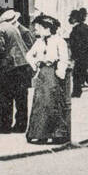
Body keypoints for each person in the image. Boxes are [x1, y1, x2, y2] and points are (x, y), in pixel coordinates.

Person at [0, 5, 33, 134]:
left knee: (6, 97)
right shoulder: (10, 27)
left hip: (10, 68)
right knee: (21, 97)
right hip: (22, 66)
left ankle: (4, 126)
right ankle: (20, 126)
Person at [25, 14, 70, 145]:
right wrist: (36, 63)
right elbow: (29, 55)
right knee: (40, 103)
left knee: (53, 103)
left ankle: (57, 134)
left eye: (39, 28)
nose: (36, 30)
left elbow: (64, 59)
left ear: (48, 28)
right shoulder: (39, 42)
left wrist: (59, 72)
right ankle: (39, 134)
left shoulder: (59, 41)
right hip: (42, 74)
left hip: (53, 74)